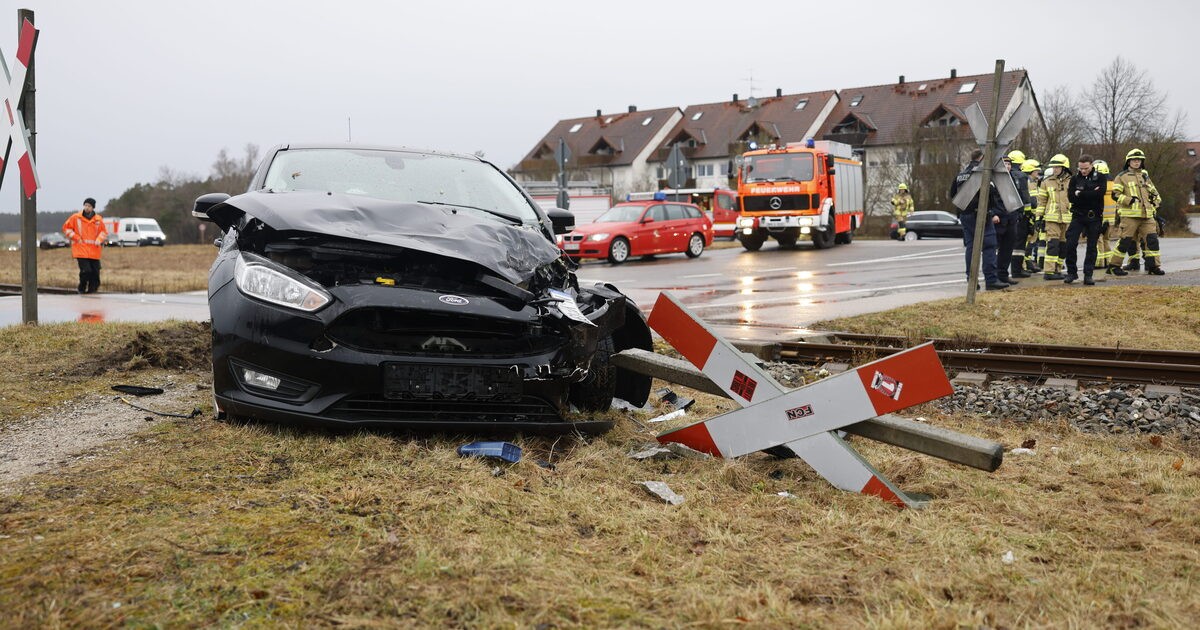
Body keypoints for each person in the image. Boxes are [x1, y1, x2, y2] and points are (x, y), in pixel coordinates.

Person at [950, 149, 1008, 290]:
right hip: (981, 215)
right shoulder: (982, 174)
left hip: (965, 215)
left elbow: (953, 195)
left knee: (971, 247)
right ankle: (991, 280)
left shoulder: (960, 175)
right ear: (982, 159)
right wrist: (992, 210)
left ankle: (971, 280)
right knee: (989, 246)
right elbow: (990, 194)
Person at [1110, 149, 1165, 275]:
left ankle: (1153, 267)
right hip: (1130, 216)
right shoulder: (1121, 177)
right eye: (1134, 160)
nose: (1136, 162)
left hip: (1147, 216)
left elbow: (1155, 194)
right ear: (1128, 161)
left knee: (1152, 241)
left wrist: (1155, 204)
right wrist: (1129, 200)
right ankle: (1114, 266)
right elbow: (1115, 195)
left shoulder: (1145, 176)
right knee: (1124, 242)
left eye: (1139, 160)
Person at [1062, 155, 1107, 285]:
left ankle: (1088, 274)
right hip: (1078, 215)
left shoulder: (1100, 177)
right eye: (1081, 168)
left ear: (1091, 165)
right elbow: (1071, 197)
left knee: (1092, 247)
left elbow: (1100, 194)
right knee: (1070, 243)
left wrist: (1080, 193)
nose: (1083, 171)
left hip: (1094, 217)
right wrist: (1090, 192)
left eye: (1086, 168)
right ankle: (1072, 273)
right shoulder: (1075, 179)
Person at [1034, 154, 1072, 280]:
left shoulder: (1072, 181)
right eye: (1054, 167)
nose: (1054, 169)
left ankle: (1058, 269)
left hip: (1067, 218)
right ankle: (1049, 271)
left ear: (1064, 168)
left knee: (1063, 246)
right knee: (1053, 244)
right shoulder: (1046, 182)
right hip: (1051, 218)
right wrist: (1039, 218)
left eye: (1057, 167)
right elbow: (1042, 202)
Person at [998, 150, 1033, 281]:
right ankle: (1016, 270)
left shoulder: (1009, 176)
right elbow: (1024, 197)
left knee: (1005, 247)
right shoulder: (1021, 176)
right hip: (1016, 216)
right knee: (1017, 244)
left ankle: (1003, 274)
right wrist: (1026, 213)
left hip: (1009, 216)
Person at [62, 198, 109, 294]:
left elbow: (104, 232)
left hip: (94, 251)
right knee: (86, 271)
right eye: (86, 205)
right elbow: (66, 228)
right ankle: (81, 288)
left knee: (95, 272)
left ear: (93, 208)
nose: (87, 208)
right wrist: (76, 237)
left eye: (89, 206)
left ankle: (93, 290)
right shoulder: (76, 217)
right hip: (81, 250)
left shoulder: (98, 219)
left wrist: (99, 240)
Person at [1093, 160, 1128, 277]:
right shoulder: (1114, 184)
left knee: (1098, 240)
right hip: (1111, 219)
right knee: (1106, 240)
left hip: (1100, 218)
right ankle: (1108, 261)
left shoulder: (1097, 185)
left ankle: (1099, 262)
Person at [1020, 159, 1044, 272]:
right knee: (1028, 239)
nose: (1038, 172)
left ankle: (1028, 261)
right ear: (1030, 171)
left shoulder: (1033, 181)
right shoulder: (1028, 182)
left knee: (1032, 239)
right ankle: (1024, 263)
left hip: (1034, 214)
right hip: (1030, 215)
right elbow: (1033, 201)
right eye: (1036, 170)